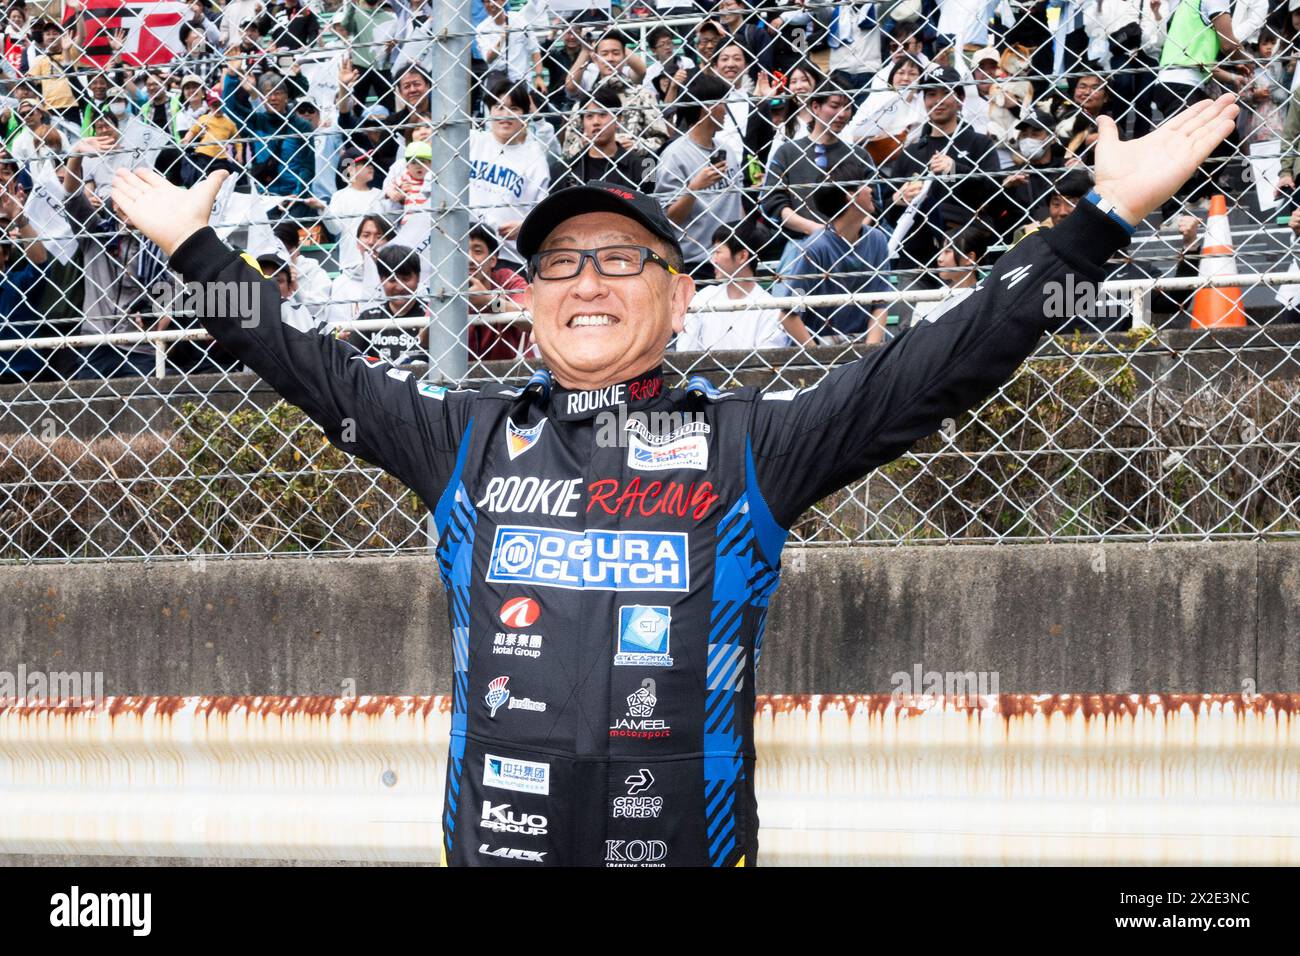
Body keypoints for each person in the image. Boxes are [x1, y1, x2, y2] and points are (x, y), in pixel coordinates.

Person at [111, 93, 1239, 867]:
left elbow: (944, 363)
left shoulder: (754, 442)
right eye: (557, 262)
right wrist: (191, 255)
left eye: (618, 258)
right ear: (528, 296)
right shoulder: (458, 437)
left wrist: (1101, 225)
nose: (584, 281)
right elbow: (299, 360)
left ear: (679, 295)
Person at [778, 163, 892, 345]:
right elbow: (789, 314)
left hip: (864, 341)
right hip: (818, 343)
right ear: (851, 196)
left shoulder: (877, 239)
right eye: (864, 185)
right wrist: (817, 356)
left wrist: (870, 353)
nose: (871, 190)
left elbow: (880, 302)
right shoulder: (816, 248)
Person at [655, 71, 745, 277]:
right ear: (707, 108)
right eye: (722, 103)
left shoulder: (727, 150)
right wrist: (694, 189)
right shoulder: (674, 156)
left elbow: (739, 205)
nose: (726, 110)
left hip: (732, 259)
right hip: (696, 263)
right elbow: (669, 219)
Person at [675, 224, 788, 352]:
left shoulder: (769, 308)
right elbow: (685, 350)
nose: (713, 260)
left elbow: (768, 361)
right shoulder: (704, 297)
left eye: (718, 252)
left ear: (742, 256)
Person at [550, 87, 653, 192]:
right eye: (589, 116)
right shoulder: (563, 170)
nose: (596, 122)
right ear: (582, 122)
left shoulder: (641, 167)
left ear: (618, 119)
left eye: (602, 114)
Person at [464, 222, 531, 362]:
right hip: (458, 374)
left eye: (477, 251)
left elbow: (531, 318)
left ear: (493, 260)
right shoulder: (445, 285)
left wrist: (490, 302)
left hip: (512, 373)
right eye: (462, 251)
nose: (469, 259)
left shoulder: (507, 280)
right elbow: (423, 340)